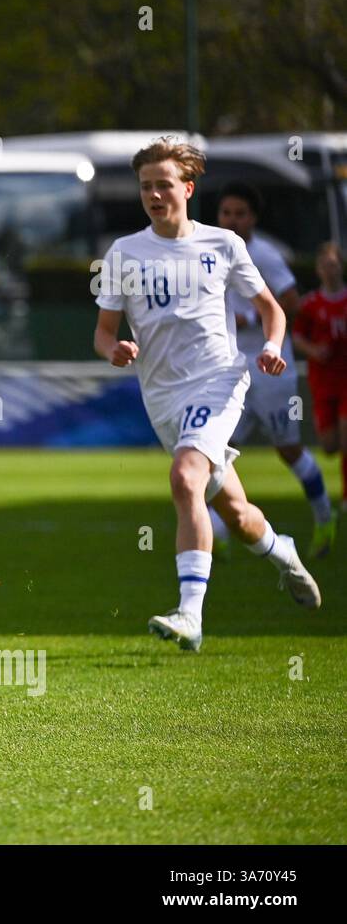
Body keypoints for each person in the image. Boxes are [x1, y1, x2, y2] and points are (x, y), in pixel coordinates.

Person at [92, 139, 321, 652]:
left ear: (187, 188)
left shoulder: (223, 244)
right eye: (146, 185)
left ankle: (190, 615)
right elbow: (103, 330)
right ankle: (281, 552)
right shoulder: (124, 253)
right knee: (237, 514)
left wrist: (272, 345)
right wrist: (115, 349)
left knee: (184, 477)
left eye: (163, 184)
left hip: (219, 380)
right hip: (163, 398)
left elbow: (272, 308)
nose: (153, 193)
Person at [209, 182, 333, 558]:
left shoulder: (264, 254)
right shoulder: (210, 250)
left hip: (268, 369)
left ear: (254, 218)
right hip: (228, 371)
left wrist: (252, 319)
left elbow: (291, 301)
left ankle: (325, 518)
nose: (232, 219)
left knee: (289, 450)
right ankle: (217, 536)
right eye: (226, 212)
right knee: (211, 450)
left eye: (240, 213)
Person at [292, 242, 347, 537]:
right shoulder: (310, 304)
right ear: (318, 270)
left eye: (334, 264)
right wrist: (315, 350)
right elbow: (297, 336)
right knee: (328, 446)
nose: (330, 269)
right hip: (322, 380)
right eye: (325, 265)